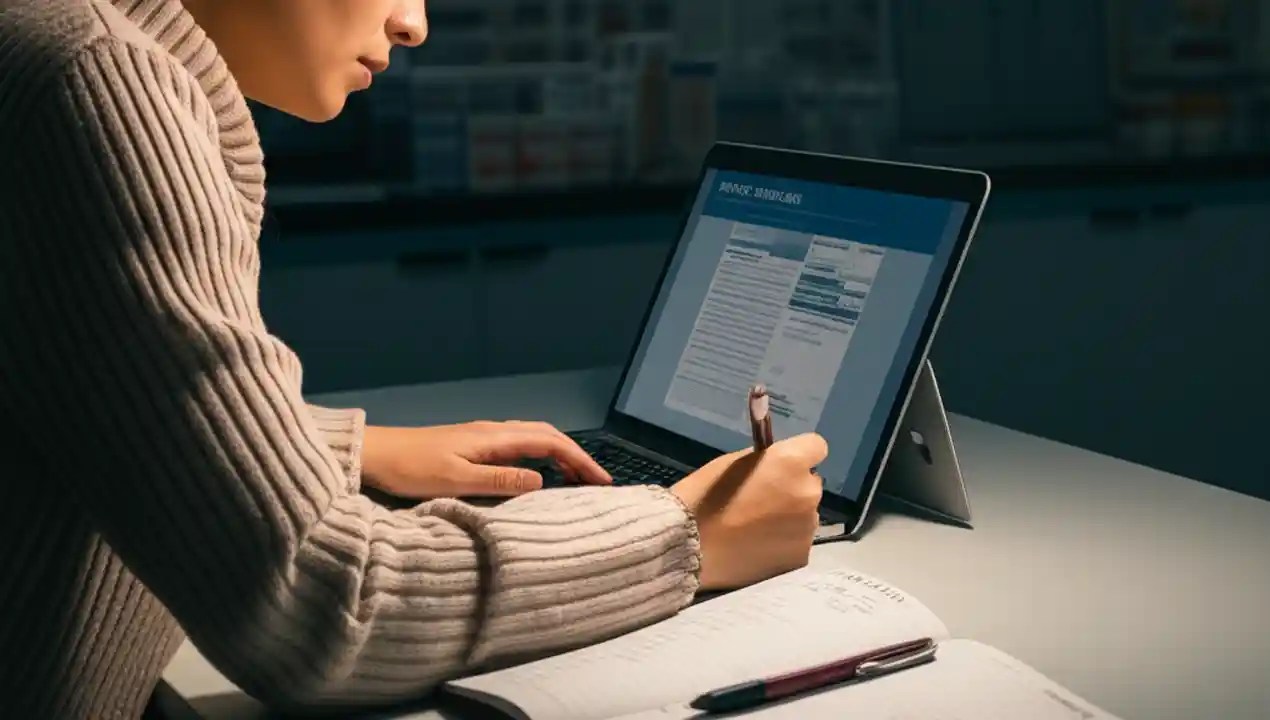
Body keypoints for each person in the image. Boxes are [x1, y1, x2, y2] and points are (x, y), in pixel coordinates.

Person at [0, 0, 829, 717]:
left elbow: (80, 399)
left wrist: (348, 450)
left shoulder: (46, 38)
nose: (413, 23)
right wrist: (682, 534)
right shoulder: (102, 80)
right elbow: (320, 606)